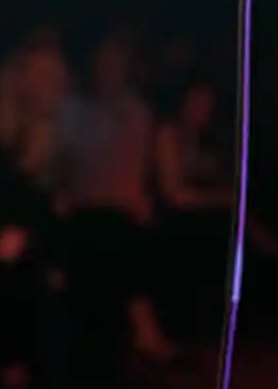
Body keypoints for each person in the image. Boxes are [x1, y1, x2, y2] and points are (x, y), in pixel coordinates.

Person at [0, 39, 74, 389]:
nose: (50, 86)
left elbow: (56, 211)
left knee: (41, 269)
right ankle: (25, 381)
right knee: (13, 267)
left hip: (37, 244)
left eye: (55, 78)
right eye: (41, 76)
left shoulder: (60, 134)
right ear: (19, 80)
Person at [62, 34, 173, 362]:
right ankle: (140, 331)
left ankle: (140, 333)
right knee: (105, 230)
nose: (108, 71)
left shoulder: (135, 112)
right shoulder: (76, 110)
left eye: (115, 65)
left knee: (120, 232)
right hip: (83, 207)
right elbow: (70, 169)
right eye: (102, 64)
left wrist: (125, 199)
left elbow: (129, 172)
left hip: (117, 208)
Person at [155, 79, 232, 333]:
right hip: (173, 216)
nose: (201, 110)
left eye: (206, 104)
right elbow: (173, 194)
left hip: (203, 214)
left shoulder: (211, 140)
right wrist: (220, 198)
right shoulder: (168, 134)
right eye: (195, 102)